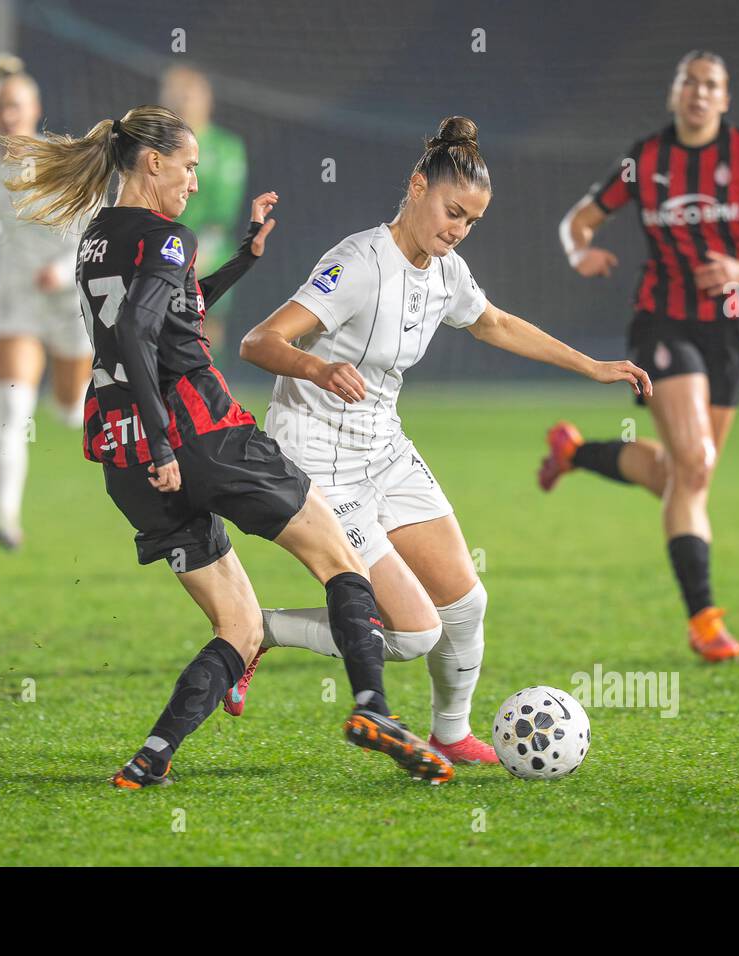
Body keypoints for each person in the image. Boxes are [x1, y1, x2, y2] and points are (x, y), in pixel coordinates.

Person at [0, 105, 454, 788]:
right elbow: (139, 334)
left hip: (124, 457)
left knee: (239, 626)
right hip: (199, 438)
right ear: (152, 163)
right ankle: (373, 708)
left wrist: (244, 257)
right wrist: (164, 444)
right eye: (188, 168)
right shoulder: (169, 236)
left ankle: (151, 757)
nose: (192, 183)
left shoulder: (97, 236)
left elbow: (168, 309)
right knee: (340, 559)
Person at [233, 116, 651, 766]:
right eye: (453, 211)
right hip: (317, 461)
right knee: (415, 633)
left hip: (383, 450)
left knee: (465, 604)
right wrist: (318, 367)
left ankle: (451, 733)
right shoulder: (358, 264)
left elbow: (496, 324)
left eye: (471, 222)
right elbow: (259, 341)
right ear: (417, 184)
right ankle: (257, 630)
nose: (458, 230)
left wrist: (593, 368)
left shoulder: (446, 271)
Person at [543, 51, 739, 662]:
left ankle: (576, 451)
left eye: (711, 85)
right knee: (693, 466)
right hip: (662, 322)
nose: (699, 94)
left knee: (684, 476)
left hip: (730, 328)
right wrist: (578, 253)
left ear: (726, 99)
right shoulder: (645, 160)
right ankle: (704, 620)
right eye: (688, 83)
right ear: (674, 94)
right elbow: (577, 223)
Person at [0, 56, 93, 550]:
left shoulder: (66, 161)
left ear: (35, 108)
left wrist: (59, 272)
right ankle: (5, 519)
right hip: (15, 299)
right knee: (11, 408)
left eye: (15, 105)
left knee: (70, 411)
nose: (7, 114)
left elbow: (90, 232)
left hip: (65, 301)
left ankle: (76, 407)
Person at [160, 66, 248, 353]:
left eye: (189, 95)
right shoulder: (153, 145)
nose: (182, 102)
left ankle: (205, 392)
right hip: (159, 246)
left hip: (207, 252)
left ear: (206, 99)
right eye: (175, 95)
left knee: (203, 330)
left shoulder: (225, 147)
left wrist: (201, 250)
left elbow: (224, 211)